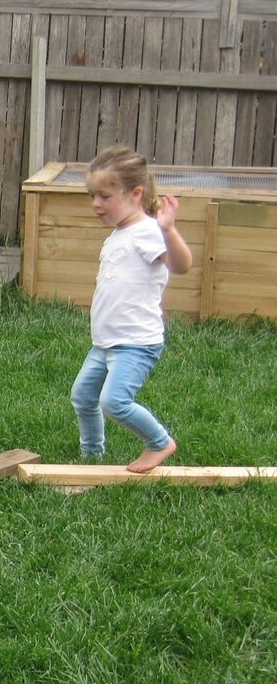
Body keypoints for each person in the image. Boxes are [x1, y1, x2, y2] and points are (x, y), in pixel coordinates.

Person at [71, 145, 193, 473]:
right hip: (106, 342)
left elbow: (181, 266)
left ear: (135, 194)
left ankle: (159, 443)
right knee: (83, 396)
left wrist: (168, 230)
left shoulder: (147, 231)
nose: (96, 204)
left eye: (105, 196)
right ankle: (92, 454)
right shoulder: (118, 233)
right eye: (92, 196)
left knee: (114, 402)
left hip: (136, 343)